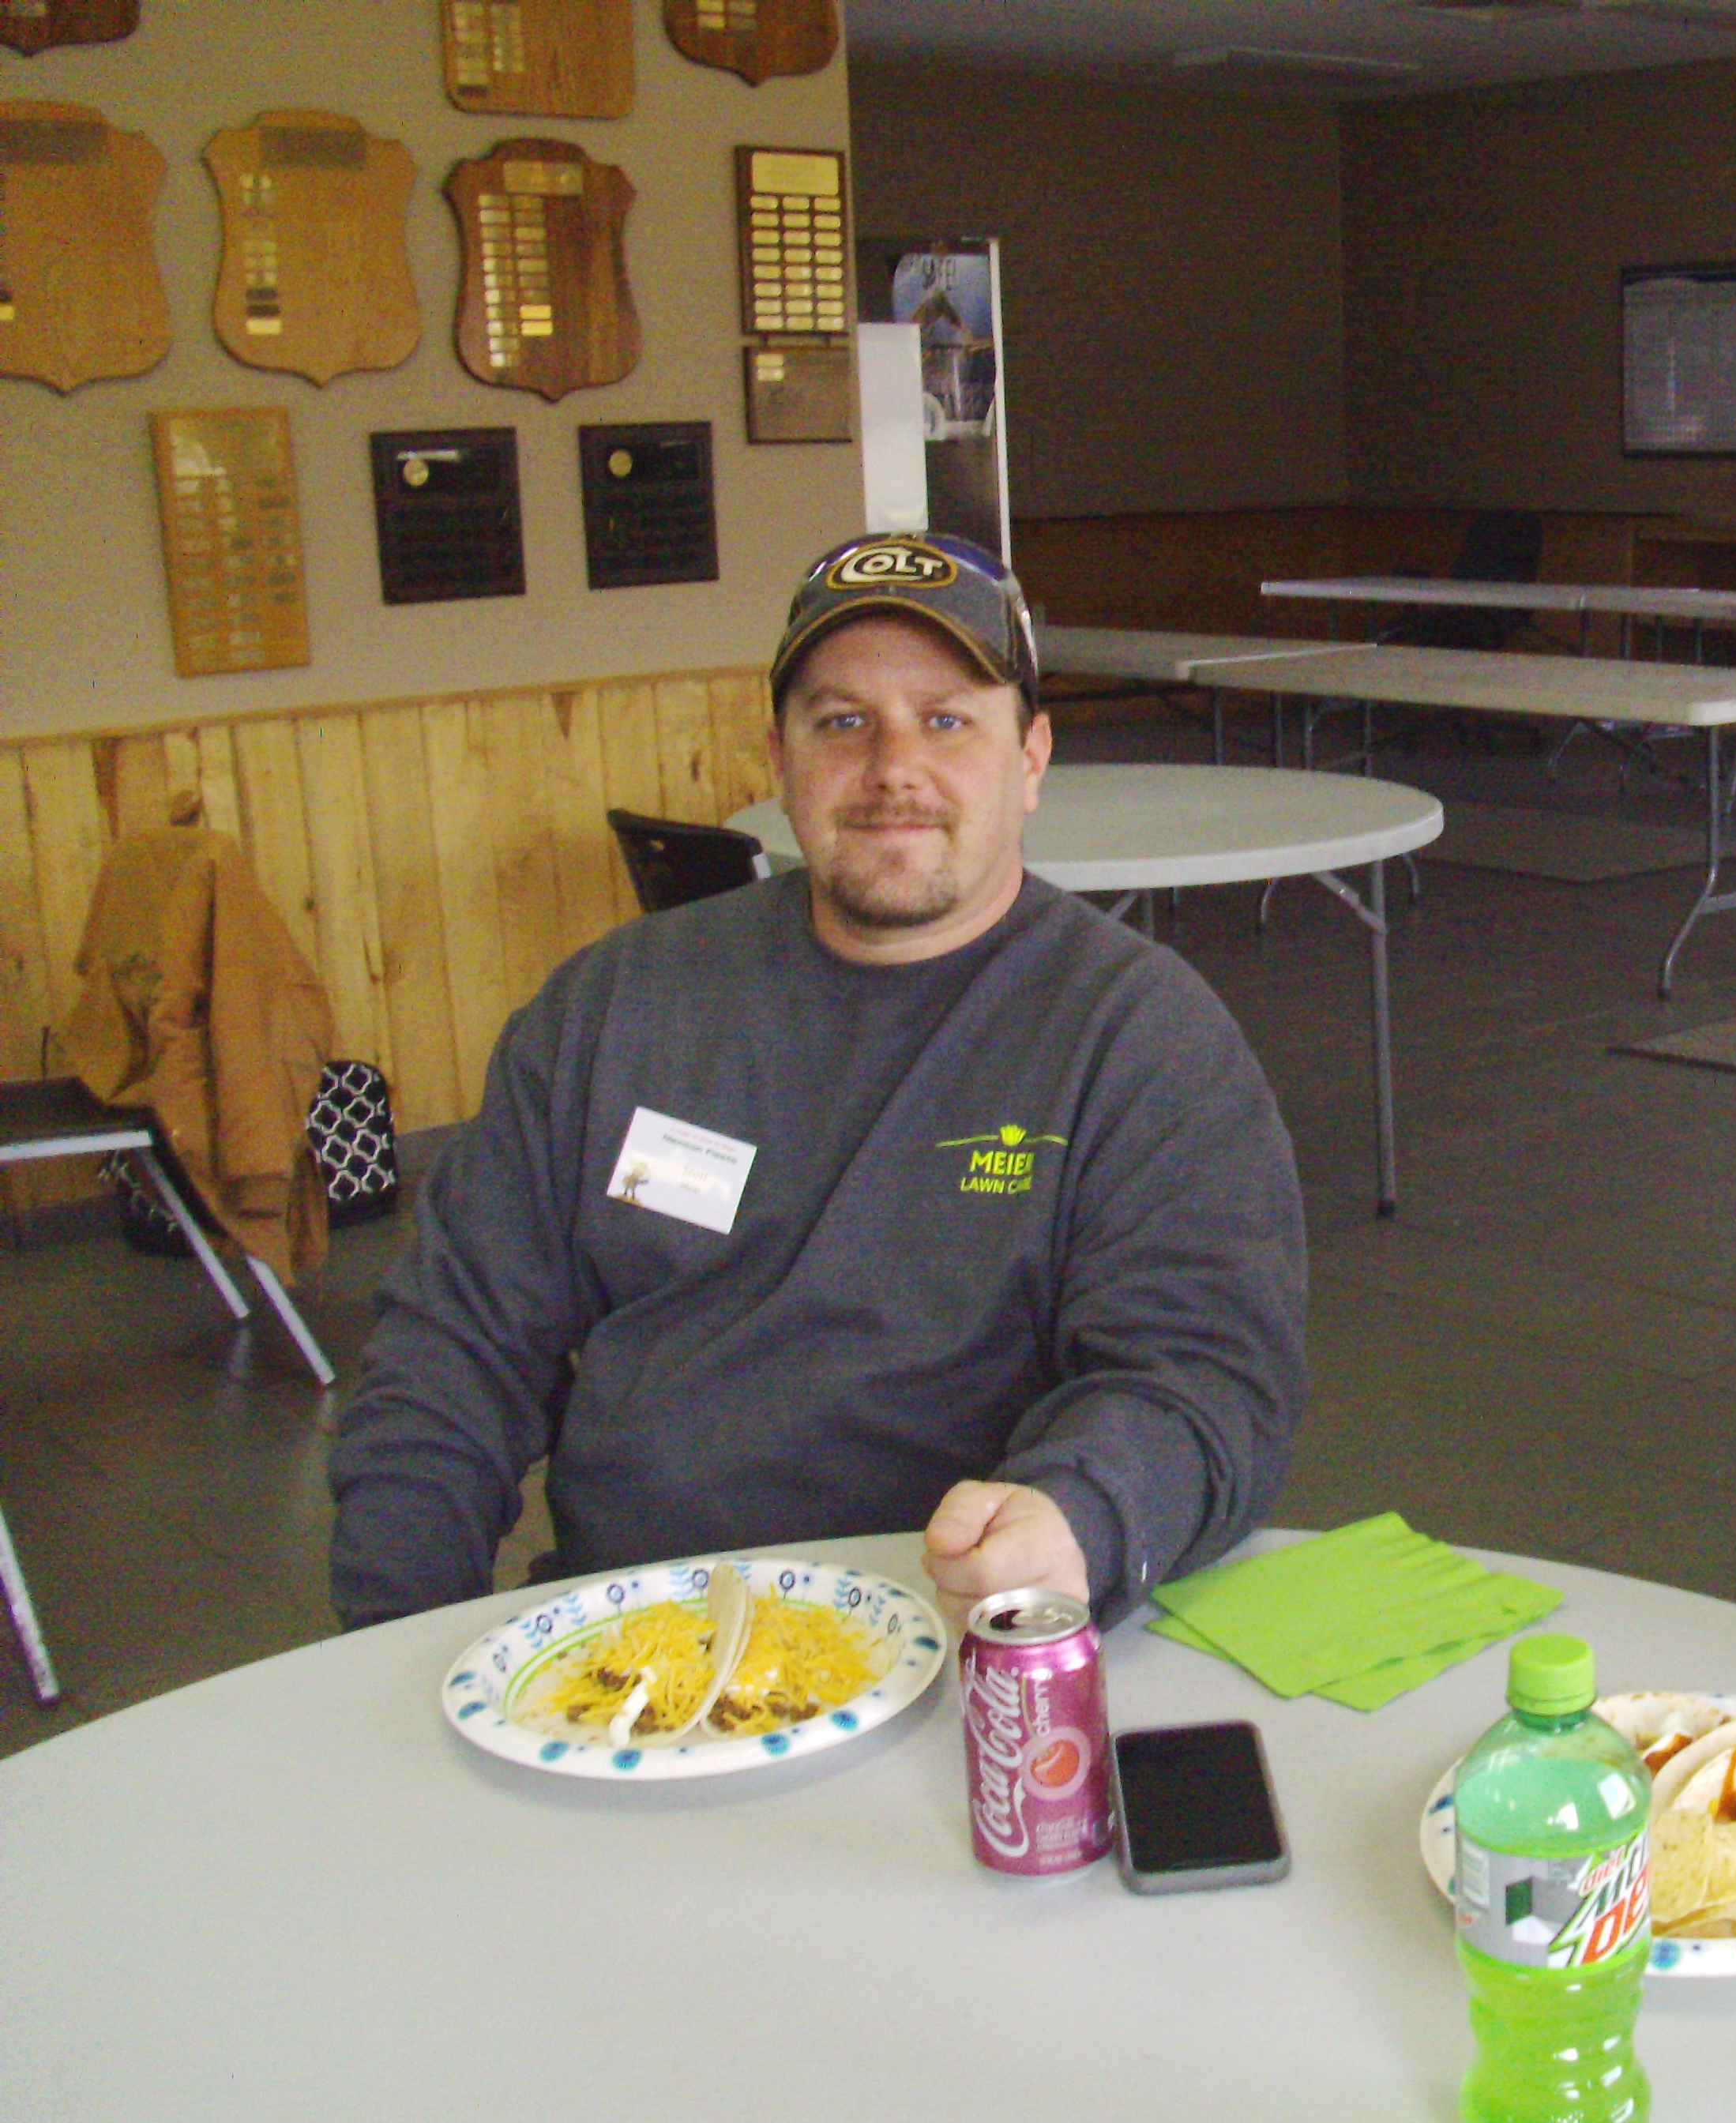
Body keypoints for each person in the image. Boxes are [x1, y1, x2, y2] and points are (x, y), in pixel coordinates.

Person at [329, 534, 1306, 1635]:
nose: (894, 768)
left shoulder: (1138, 1037)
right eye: (842, 722)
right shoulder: (612, 1007)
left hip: (959, 1641)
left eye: (947, 720)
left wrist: (1078, 1514)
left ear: (1030, 757)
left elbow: (1205, 1381)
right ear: (781, 757)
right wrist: (396, 1646)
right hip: (634, 1641)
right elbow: (448, 1355)